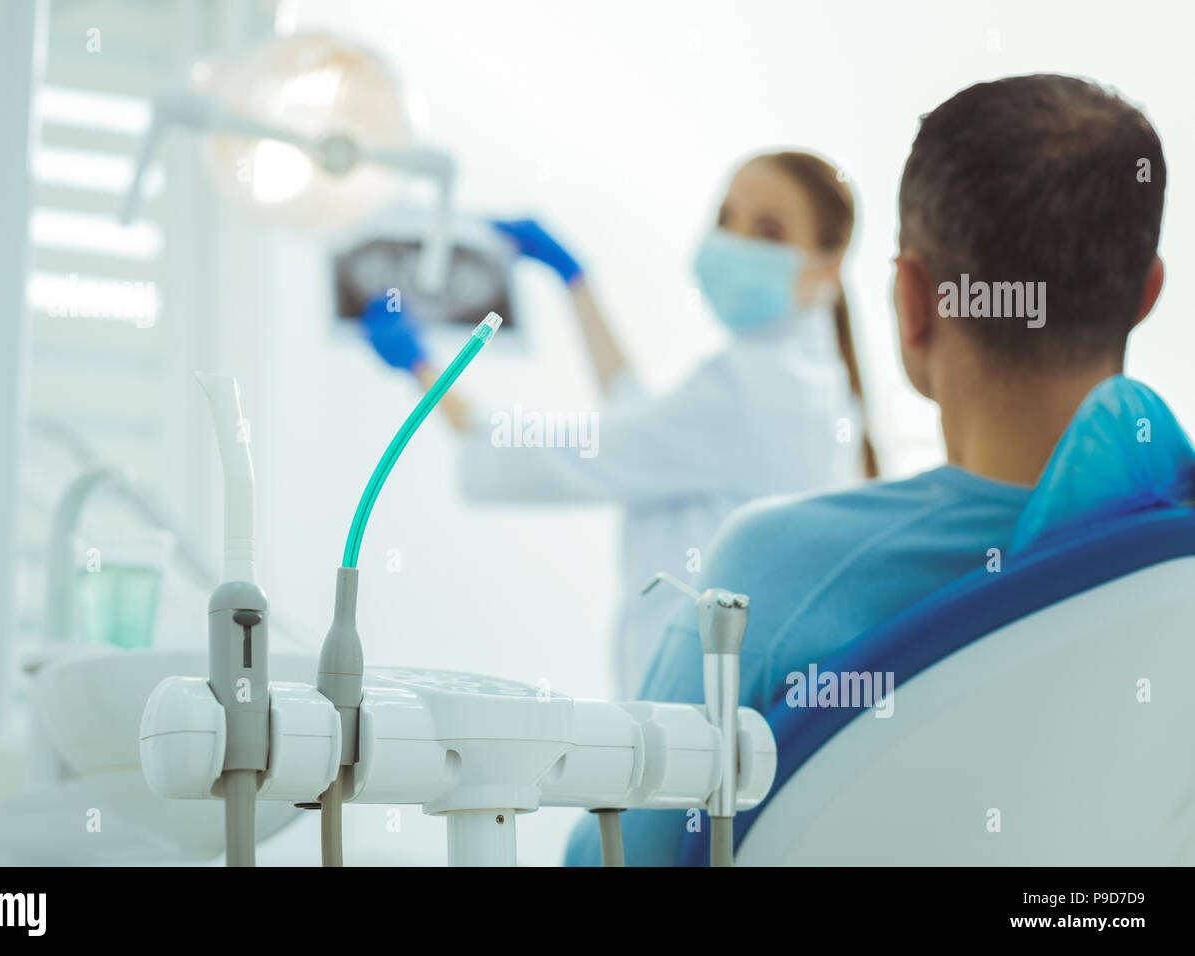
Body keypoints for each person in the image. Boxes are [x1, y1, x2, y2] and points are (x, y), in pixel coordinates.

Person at [566, 73, 1170, 864]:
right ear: (1147, 293)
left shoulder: (769, 576)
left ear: (911, 301)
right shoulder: (1173, 567)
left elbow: (613, 854)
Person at [361, 151, 878, 698]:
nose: (735, 241)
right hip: (710, 711)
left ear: (826, 264)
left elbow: (553, 453)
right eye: (726, 218)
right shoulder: (798, 380)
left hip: (697, 716)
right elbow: (642, 421)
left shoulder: (757, 389)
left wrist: (422, 369)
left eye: (768, 230)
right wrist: (575, 282)